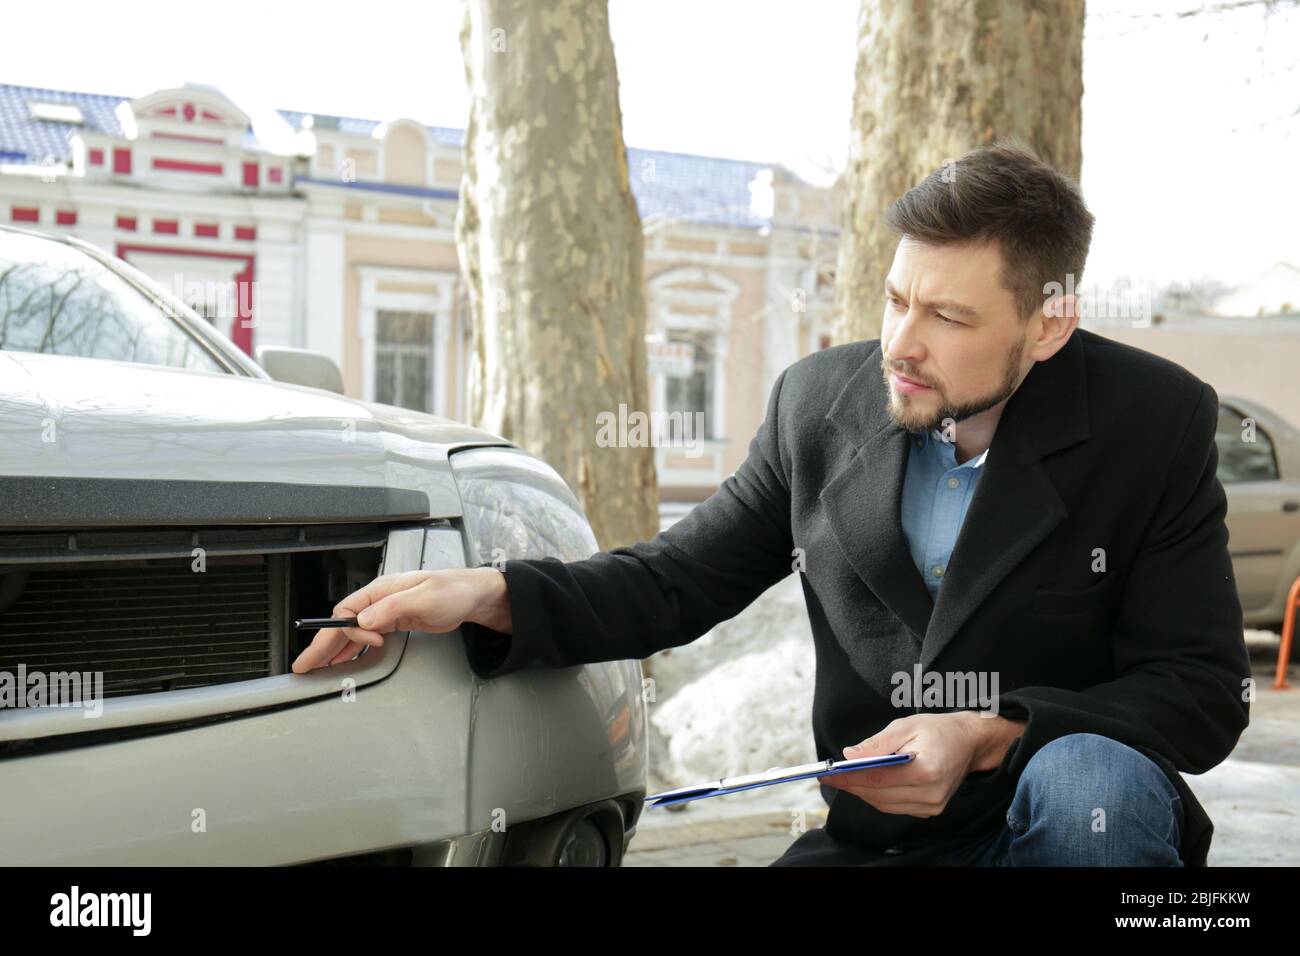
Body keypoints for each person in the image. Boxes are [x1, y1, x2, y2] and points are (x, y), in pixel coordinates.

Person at [292, 141, 1250, 866]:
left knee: (1092, 777)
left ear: (1048, 325)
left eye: (949, 317)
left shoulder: (1151, 423)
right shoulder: (819, 403)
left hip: (1074, 831)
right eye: (895, 299)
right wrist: (488, 595)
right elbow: (678, 580)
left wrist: (995, 731)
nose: (900, 344)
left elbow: (1203, 693)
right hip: (879, 842)